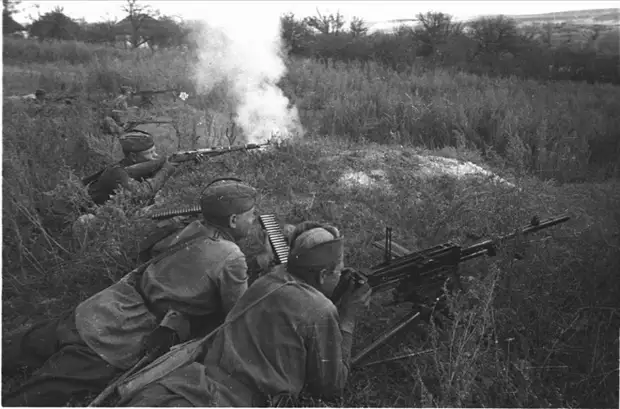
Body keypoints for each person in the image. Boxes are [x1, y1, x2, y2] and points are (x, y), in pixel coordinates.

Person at [2, 178, 274, 407]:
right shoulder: (231, 256)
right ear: (234, 219)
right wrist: (263, 267)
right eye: (252, 214)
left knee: (20, 346)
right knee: (34, 396)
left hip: (102, 306)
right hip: (119, 336)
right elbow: (238, 314)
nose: (256, 219)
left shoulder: (191, 228)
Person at [122, 220, 372, 407]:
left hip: (192, 383)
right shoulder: (321, 310)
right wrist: (347, 317)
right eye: (338, 270)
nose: (342, 274)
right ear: (322, 275)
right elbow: (330, 387)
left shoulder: (268, 280)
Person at [83, 130, 176, 206]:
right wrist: (165, 171)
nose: (155, 155)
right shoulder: (116, 172)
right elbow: (141, 193)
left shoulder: (138, 168)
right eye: (150, 153)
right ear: (133, 157)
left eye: (154, 151)